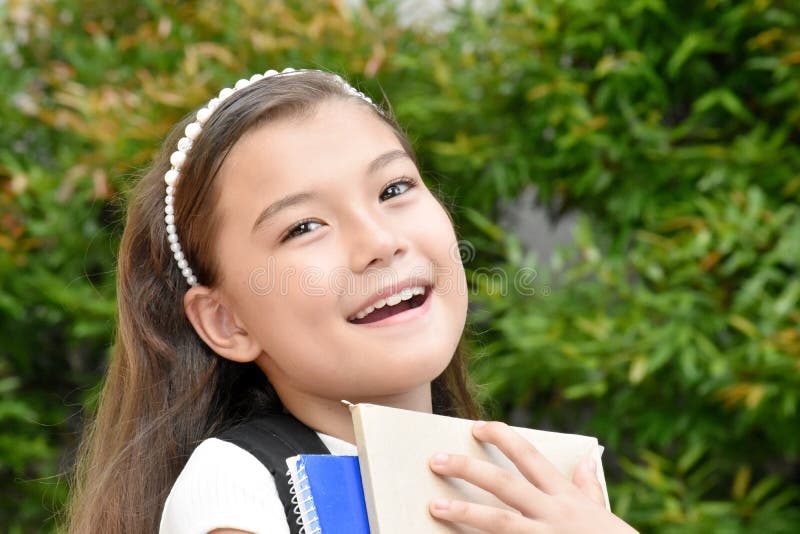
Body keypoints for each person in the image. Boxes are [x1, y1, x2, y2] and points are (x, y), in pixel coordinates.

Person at [65, 68, 637, 533]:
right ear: (227, 321)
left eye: (394, 189)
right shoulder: (237, 488)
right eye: (304, 226)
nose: (380, 243)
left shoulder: (532, 487)